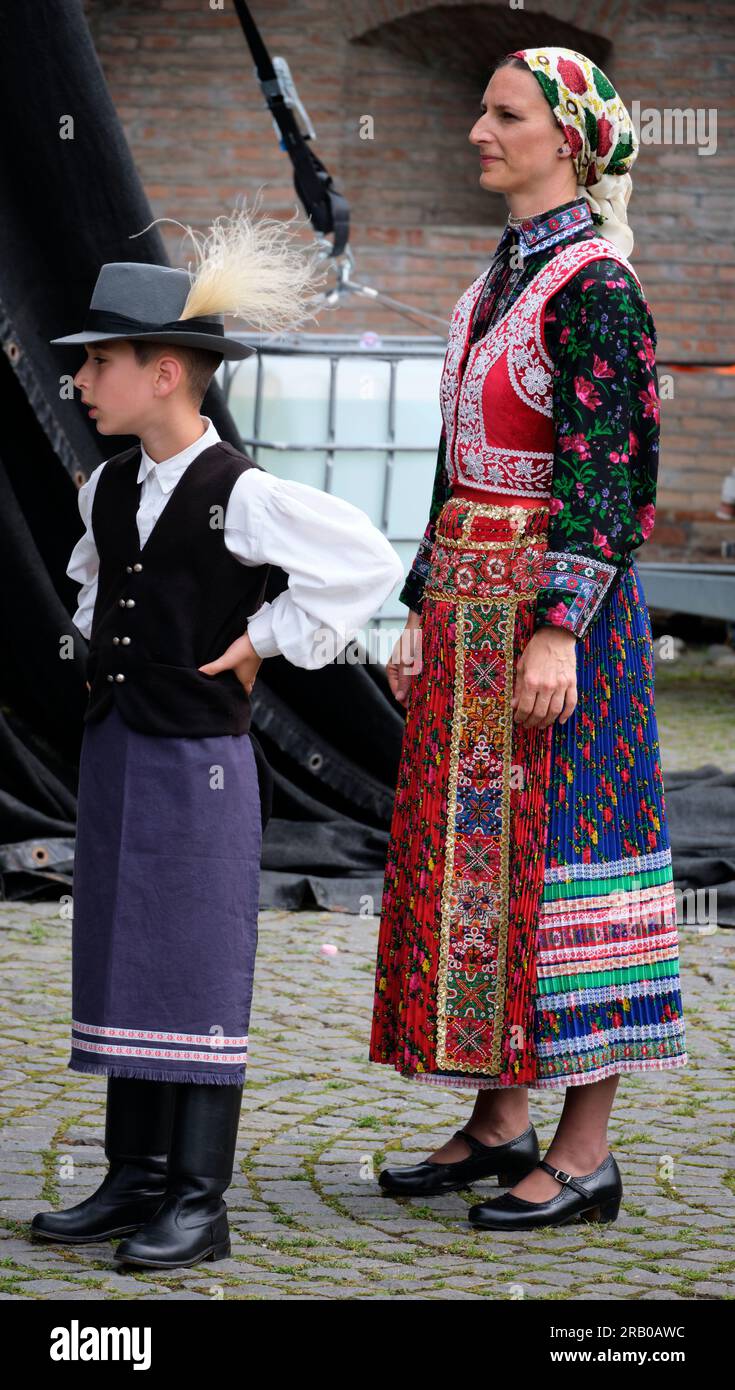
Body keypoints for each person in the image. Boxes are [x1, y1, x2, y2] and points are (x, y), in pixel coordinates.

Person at [31, 205, 403, 1268]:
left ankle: (198, 1198)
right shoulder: (106, 486)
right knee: (121, 948)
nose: (83, 382)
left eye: (98, 363)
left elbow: (364, 561)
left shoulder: (241, 492)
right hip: (119, 751)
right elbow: (104, 595)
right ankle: (134, 1175)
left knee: (189, 962)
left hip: (199, 763)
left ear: (167, 374)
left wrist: (264, 637)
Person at [369, 47, 687, 1231]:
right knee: (489, 861)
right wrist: (418, 597)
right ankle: (502, 1118)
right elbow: (458, 462)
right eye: (483, 110)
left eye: (504, 116)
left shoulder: (598, 284)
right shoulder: (503, 271)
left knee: (573, 861)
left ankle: (588, 1147)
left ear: (569, 142)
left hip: (562, 626)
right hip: (470, 610)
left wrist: (559, 628)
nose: (476, 131)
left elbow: (615, 475)